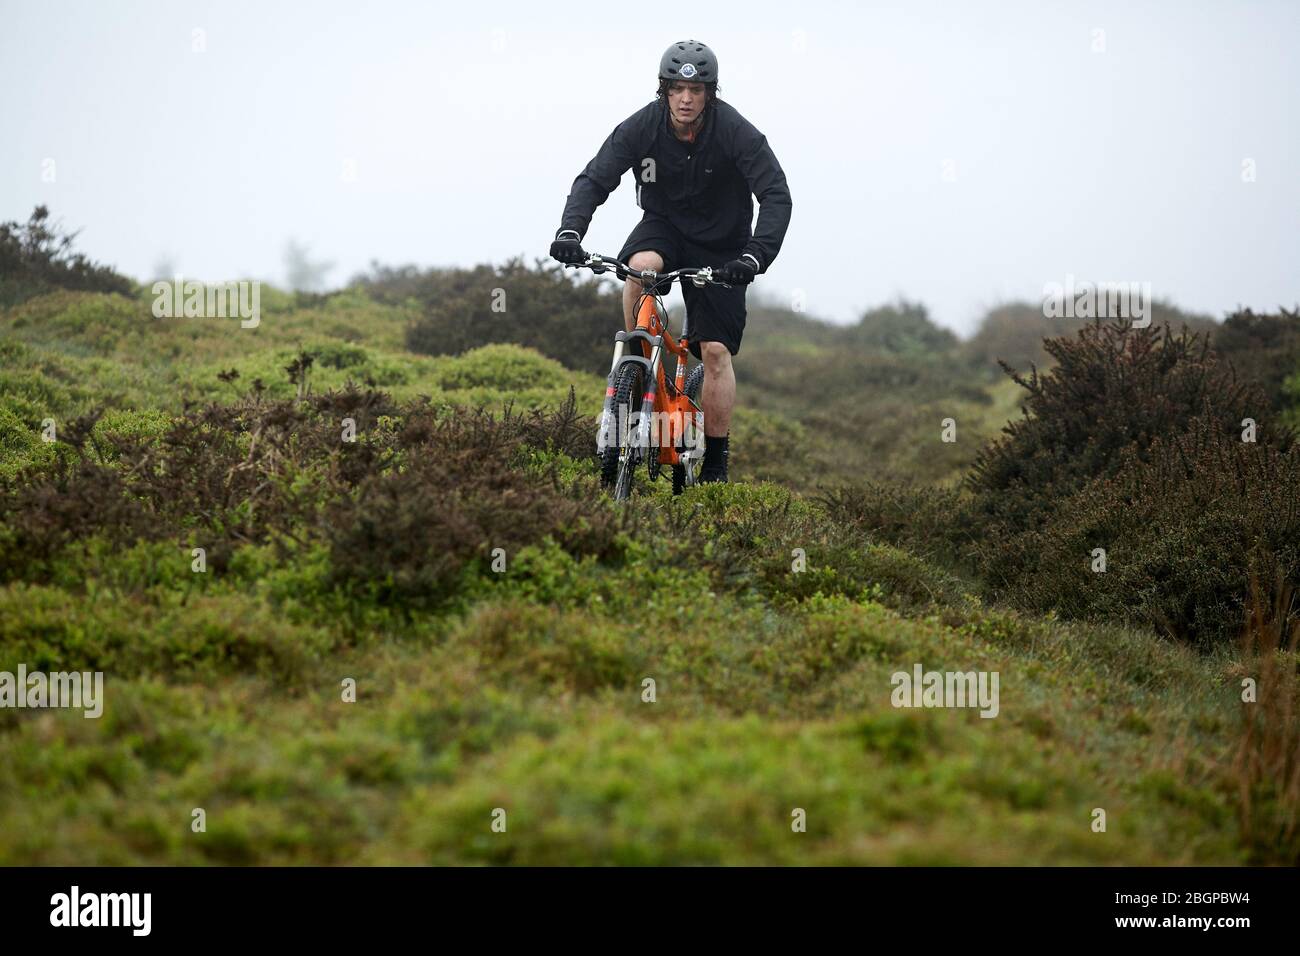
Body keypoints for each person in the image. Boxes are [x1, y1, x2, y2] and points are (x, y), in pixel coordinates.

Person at [549, 39, 792, 483]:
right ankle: (639, 363)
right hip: (666, 227)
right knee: (640, 265)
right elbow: (594, 178)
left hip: (724, 245)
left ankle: (715, 460)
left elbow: (775, 194)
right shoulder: (642, 127)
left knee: (714, 351)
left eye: (696, 91)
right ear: (663, 90)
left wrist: (755, 256)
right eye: (677, 89)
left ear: (710, 94)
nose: (685, 98)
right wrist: (571, 231)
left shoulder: (736, 132)